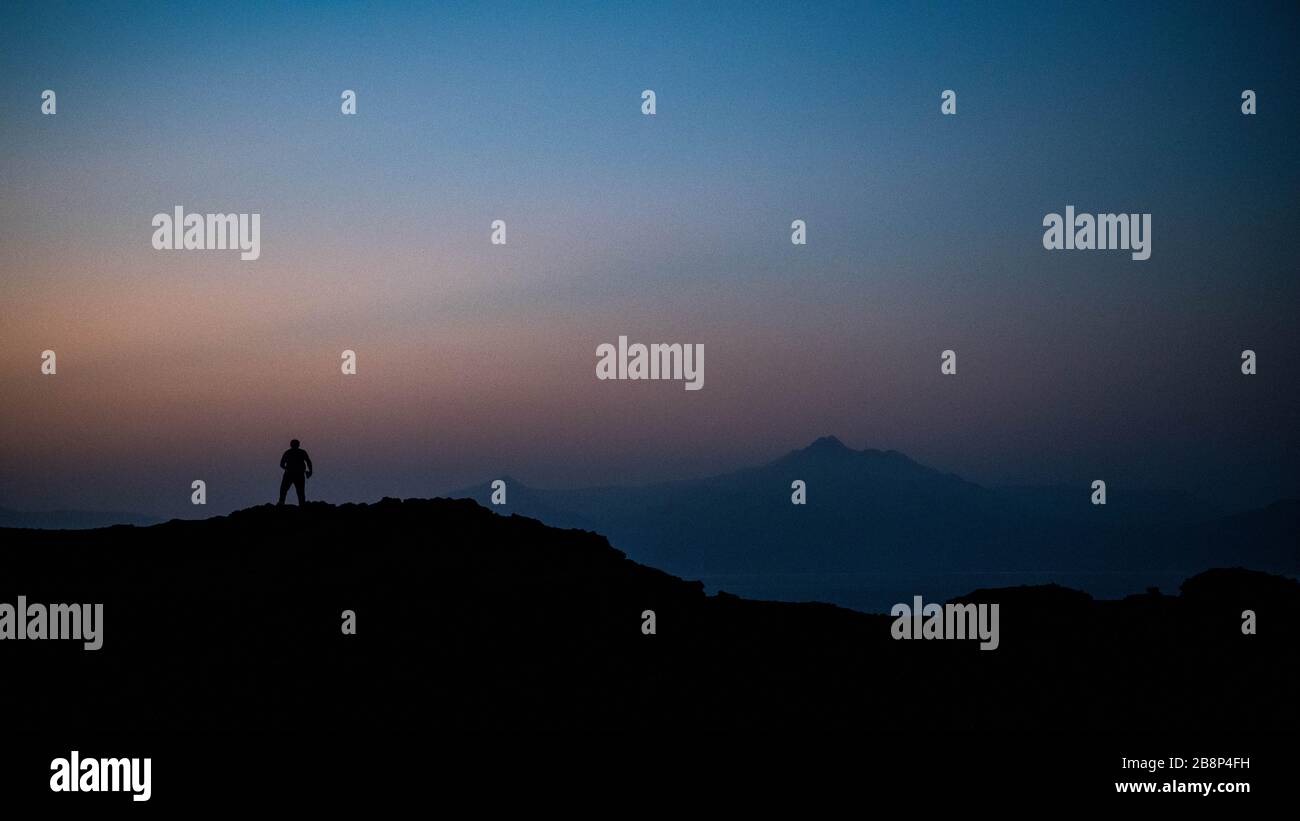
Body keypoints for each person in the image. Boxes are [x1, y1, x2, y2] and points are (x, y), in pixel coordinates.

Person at [278, 439, 313, 506]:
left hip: (291, 474)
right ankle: (301, 505)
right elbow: (308, 462)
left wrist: (286, 468)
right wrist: (310, 471)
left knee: (285, 490)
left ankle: (281, 503)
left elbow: (282, 464)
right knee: (298, 491)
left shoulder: (288, 452)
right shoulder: (301, 452)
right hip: (295, 474)